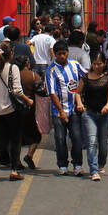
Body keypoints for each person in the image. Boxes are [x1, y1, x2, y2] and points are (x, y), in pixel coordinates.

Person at [0, 42, 28, 182]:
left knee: (2, 139)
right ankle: (14, 170)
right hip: (11, 109)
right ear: (10, 54)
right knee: (15, 139)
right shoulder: (13, 68)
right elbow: (17, 90)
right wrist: (27, 100)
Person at [45, 40, 86, 175]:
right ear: (55, 55)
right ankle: (62, 165)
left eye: (64, 53)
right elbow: (52, 93)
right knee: (60, 138)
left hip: (74, 109)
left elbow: (87, 76)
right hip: (59, 111)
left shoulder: (75, 65)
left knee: (77, 137)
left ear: (68, 53)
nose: (62, 56)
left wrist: (79, 95)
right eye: (59, 54)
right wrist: (61, 111)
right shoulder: (51, 70)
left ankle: (77, 164)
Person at [79, 52, 108, 181]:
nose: (96, 66)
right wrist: (79, 103)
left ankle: (101, 163)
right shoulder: (85, 77)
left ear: (104, 63)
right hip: (89, 113)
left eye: (99, 64)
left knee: (103, 142)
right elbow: (77, 93)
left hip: (105, 115)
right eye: (94, 64)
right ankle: (93, 170)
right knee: (92, 141)